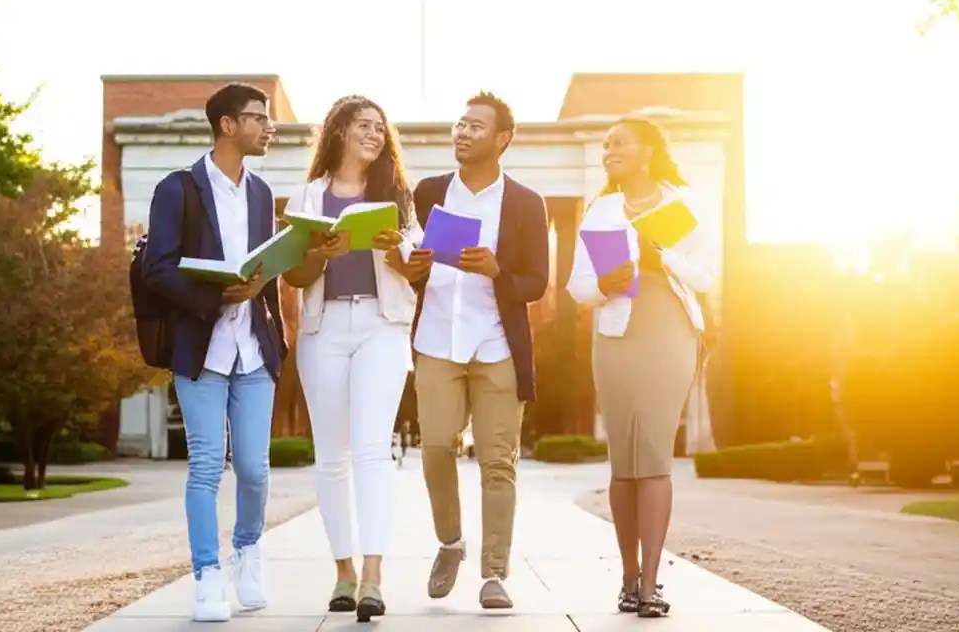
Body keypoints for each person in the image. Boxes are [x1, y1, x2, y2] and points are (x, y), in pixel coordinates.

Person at [141, 82, 288, 623]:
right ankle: (206, 575)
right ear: (228, 125)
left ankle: (247, 549)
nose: (268, 127)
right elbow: (156, 268)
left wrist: (274, 328)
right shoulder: (177, 189)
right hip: (201, 348)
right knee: (206, 465)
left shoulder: (262, 193)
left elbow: (266, 270)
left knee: (254, 469)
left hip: (253, 351)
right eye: (258, 118)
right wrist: (214, 295)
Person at [401, 91, 549, 609]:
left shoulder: (526, 203)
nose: (462, 132)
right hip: (437, 339)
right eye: (460, 124)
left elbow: (537, 282)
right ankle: (450, 542)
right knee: (436, 447)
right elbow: (408, 263)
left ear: (502, 138)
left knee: (498, 461)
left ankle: (494, 573)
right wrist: (413, 269)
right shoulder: (428, 192)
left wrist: (496, 271)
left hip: (497, 345)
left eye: (475, 126)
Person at [282, 95, 426, 622]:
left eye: (380, 128)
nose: (374, 134)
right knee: (330, 455)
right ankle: (343, 571)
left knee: (371, 450)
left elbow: (417, 270)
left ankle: (373, 575)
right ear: (339, 131)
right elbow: (294, 275)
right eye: (364, 125)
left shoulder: (397, 196)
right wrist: (320, 255)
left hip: (380, 327)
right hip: (323, 329)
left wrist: (396, 251)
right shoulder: (307, 196)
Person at [566, 115, 713, 617]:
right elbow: (577, 286)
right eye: (606, 144)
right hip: (615, 337)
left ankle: (651, 583)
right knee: (623, 462)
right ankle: (627, 578)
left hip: (669, 332)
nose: (609, 151)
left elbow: (707, 276)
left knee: (652, 455)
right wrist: (604, 284)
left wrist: (662, 258)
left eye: (619, 143)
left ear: (648, 151)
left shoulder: (684, 204)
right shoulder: (600, 210)